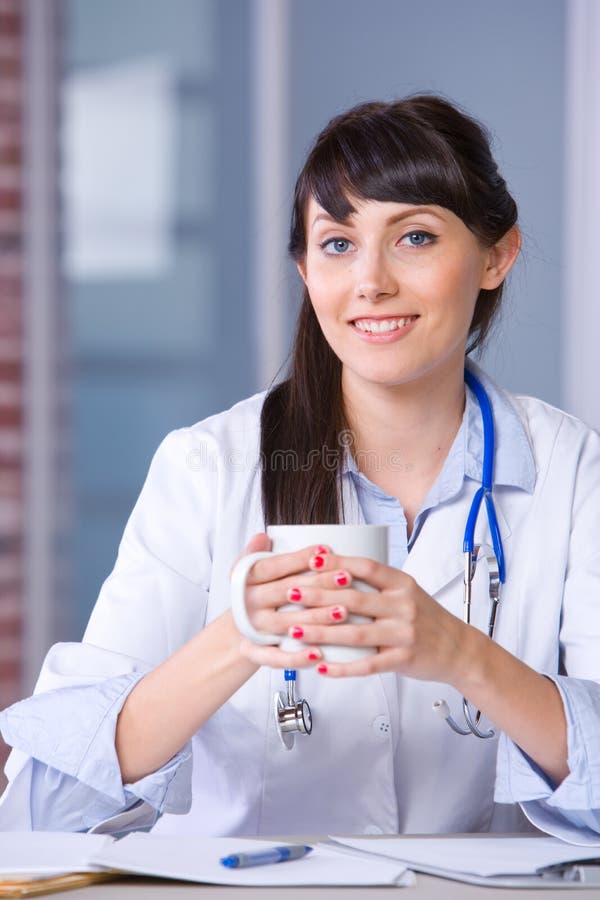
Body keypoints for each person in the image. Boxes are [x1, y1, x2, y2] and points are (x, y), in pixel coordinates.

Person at [1, 94, 600, 842]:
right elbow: (41, 815)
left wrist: (462, 655)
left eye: (414, 237)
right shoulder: (208, 469)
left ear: (496, 256)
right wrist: (237, 641)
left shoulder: (573, 470)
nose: (370, 282)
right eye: (338, 244)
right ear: (305, 268)